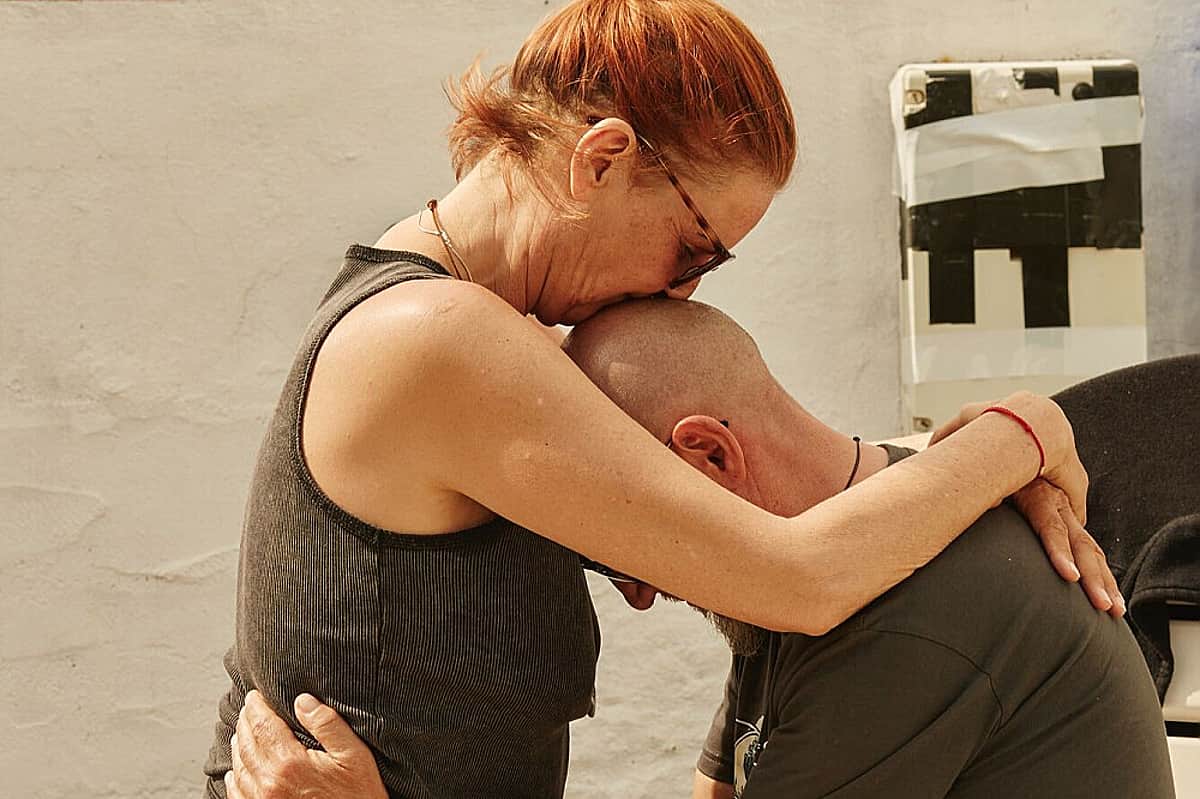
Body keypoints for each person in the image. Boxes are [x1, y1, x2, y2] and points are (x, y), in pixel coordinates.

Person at [207, 1, 1121, 797]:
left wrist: (956, 465)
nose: (680, 293)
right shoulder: (436, 340)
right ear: (602, 160)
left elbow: (773, 465)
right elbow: (797, 577)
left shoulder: (463, 330)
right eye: (695, 251)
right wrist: (1023, 430)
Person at [223, 299, 1164, 799]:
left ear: (706, 454)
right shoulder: (834, 561)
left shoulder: (914, 619)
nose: (638, 592)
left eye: (616, 544)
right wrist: (1024, 428)